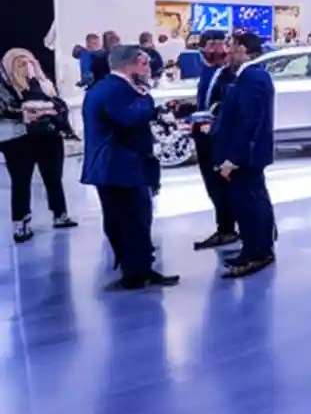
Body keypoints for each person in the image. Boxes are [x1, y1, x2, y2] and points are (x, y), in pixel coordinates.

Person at [80, 45, 177, 290]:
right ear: (129, 64)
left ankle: (141, 267)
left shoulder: (111, 87)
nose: (148, 69)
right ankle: (134, 274)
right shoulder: (115, 89)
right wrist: (152, 104)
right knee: (129, 220)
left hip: (122, 165)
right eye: (144, 64)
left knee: (136, 219)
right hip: (118, 166)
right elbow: (127, 117)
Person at [213, 32, 277, 279]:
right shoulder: (247, 76)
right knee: (250, 200)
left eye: (231, 47)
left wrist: (234, 158)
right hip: (246, 153)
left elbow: (249, 122)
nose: (227, 53)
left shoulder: (253, 77)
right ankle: (255, 247)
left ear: (243, 49)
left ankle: (257, 251)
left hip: (247, 155)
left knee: (250, 203)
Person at [1, 49, 76, 243]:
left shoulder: (44, 83)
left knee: (53, 177)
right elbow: (8, 110)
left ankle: (60, 214)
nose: (27, 68)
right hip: (18, 140)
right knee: (21, 182)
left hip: (48, 135)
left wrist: (50, 110)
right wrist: (24, 113)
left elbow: (58, 104)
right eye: (21, 64)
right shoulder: (4, 86)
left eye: (30, 62)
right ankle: (21, 223)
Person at [191, 30, 240, 250]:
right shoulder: (208, 71)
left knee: (223, 184)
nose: (217, 49)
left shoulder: (229, 73)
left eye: (220, 43)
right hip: (204, 135)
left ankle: (228, 229)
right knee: (212, 184)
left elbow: (225, 106)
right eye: (211, 44)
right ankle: (225, 227)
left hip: (218, 137)